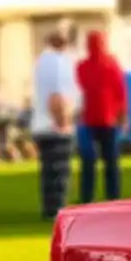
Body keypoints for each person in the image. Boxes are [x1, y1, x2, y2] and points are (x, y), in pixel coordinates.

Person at [31, 22, 80, 220]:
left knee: (48, 172)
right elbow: (57, 94)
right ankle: (56, 209)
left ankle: (49, 207)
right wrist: (63, 121)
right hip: (54, 125)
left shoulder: (43, 60)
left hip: (42, 124)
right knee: (59, 171)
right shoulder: (57, 62)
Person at [75, 30, 127, 204]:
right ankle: (111, 197)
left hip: (96, 120)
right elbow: (121, 92)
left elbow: (120, 91)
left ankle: (90, 197)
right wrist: (122, 115)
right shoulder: (110, 64)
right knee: (108, 162)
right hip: (103, 119)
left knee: (94, 162)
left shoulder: (85, 66)